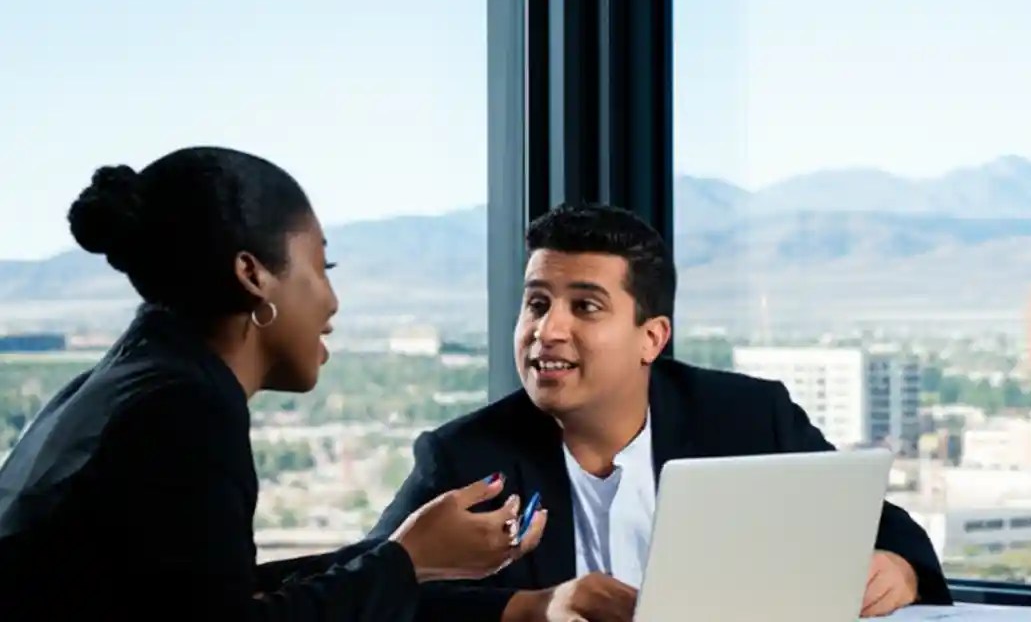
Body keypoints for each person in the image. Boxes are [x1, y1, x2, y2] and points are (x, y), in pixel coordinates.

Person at [0, 147, 547, 620]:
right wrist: (406, 562)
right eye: (323, 267)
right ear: (253, 275)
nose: (332, 302)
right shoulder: (183, 413)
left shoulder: (126, 384)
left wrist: (407, 556)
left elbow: (204, 596)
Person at [369, 203, 951, 622]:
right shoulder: (464, 455)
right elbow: (367, 594)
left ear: (651, 337)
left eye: (585, 307)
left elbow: (881, 526)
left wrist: (900, 569)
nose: (548, 330)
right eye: (537, 304)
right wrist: (534, 609)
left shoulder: (748, 417)